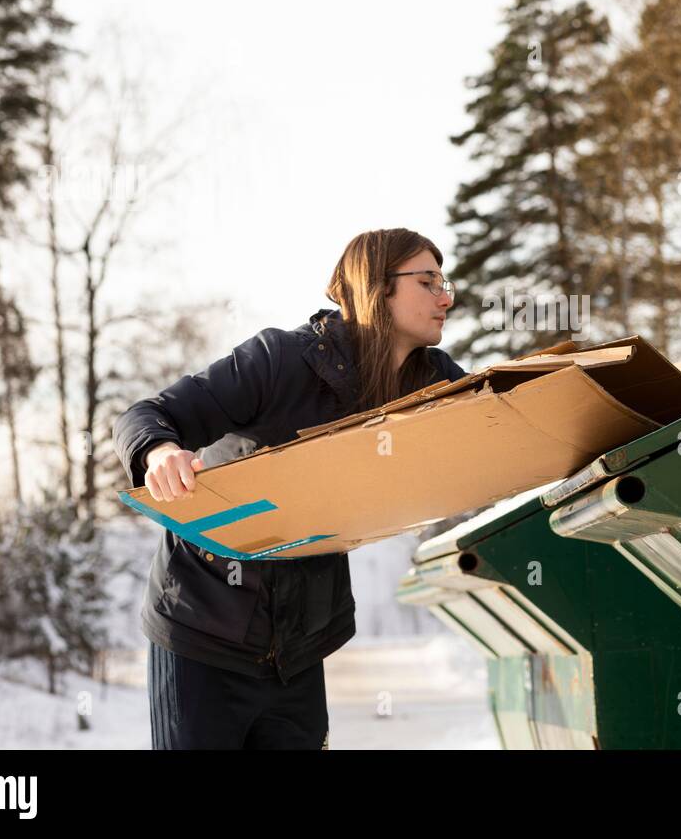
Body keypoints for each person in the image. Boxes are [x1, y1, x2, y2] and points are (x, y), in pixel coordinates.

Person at [112, 228, 465, 749]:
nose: (446, 296)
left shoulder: (430, 382)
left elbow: (503, 423)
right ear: (377, 288)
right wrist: (158, 452)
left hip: (298, 650)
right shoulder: (280, 360)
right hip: (203, 629)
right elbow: (148, 414)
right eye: (428, 280)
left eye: (445, 280)